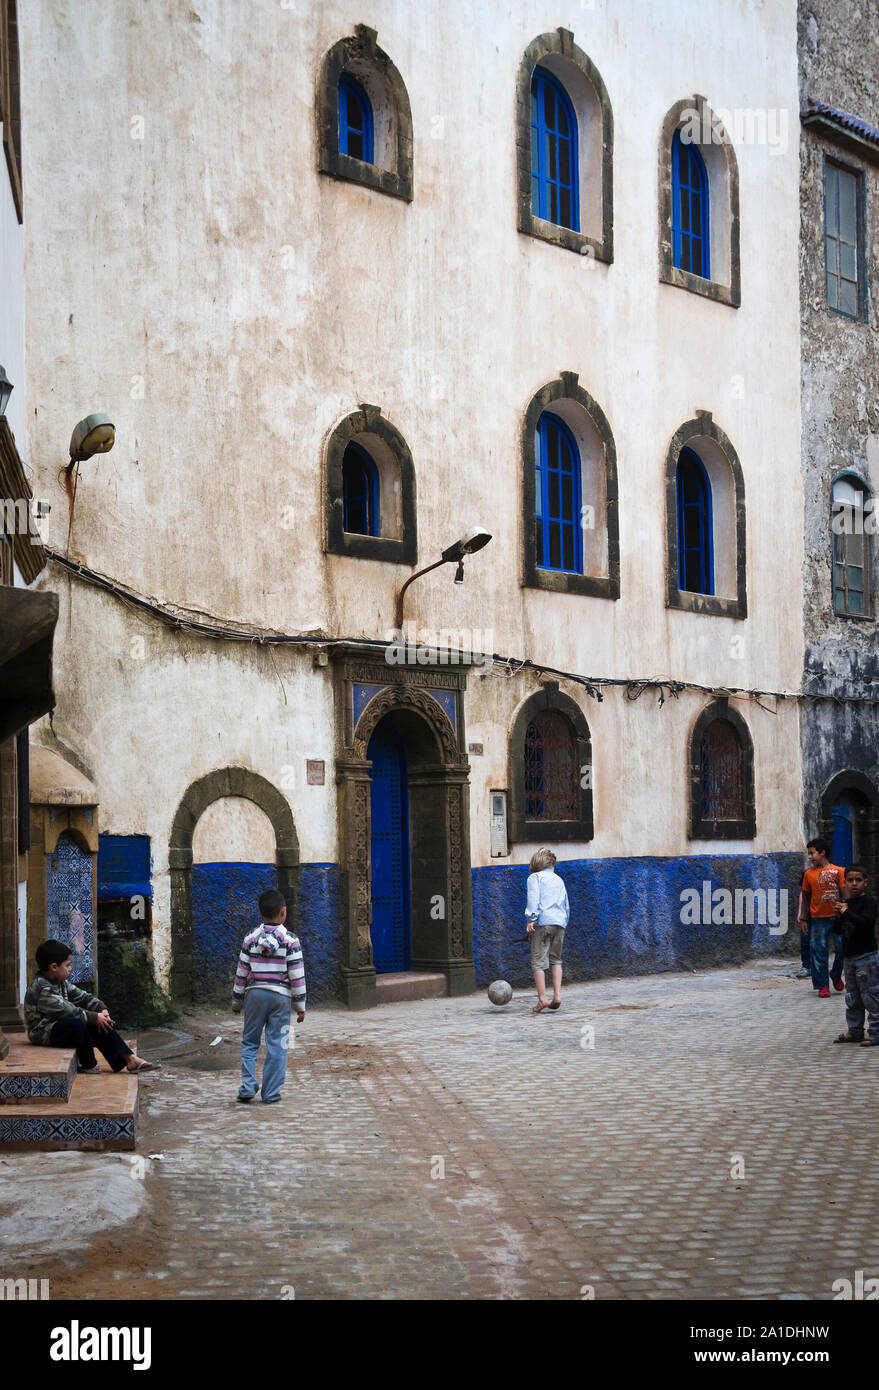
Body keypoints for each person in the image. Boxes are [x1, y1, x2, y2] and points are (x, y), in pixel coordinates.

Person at [23, 939, 156, 1073]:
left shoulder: (59, 981)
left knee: (100, 1023)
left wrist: (101, 1009)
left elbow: (83, 997)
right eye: (68, 965)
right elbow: (70, 1011)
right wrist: (95, 1017)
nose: (70, 969)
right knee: (78, 1024)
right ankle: (89, 1064)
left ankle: (130, 1059)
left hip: (59, 1025)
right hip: (43, 1033)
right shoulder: (42, 988)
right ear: (54, 967)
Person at [231, 888, 306, 1104]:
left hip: (254, 995)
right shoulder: (291, 940)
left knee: (249, 1042)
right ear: (283, 912)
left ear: (259, 913)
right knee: (280, 1044)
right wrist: (300, 1006)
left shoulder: (250, 938)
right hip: (281, 999)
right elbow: (297, 976)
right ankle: (271, 1092)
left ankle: (247, 1087)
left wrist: (237, 1001)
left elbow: (242, 972)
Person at [831, 865, 879, 1048]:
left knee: (871, 996)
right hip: (849, 958)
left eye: (858, 880)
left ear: (865, 882)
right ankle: (855, 1030)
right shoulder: (846, 904)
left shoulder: (869, 903)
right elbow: (837, 931)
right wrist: (838, 916)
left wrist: (846, 912)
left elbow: (865, 924)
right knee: (852, 997)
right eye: (850, 880)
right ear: (845, 883)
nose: (854, 884)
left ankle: (875, 1032)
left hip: (867, 958)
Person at [797, 838, 845, 997]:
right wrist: (803, 918)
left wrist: (848, 913)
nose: (810, 857)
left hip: (838, 917)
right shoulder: (808, 875)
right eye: (809, 854)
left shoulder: (839, 871)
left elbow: (845, 895)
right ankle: (822, 985)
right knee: (818, 952)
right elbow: (805, 897)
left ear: (822, 852)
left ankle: (836, 974)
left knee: (843, 948)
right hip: (817, 918)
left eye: (812, 853)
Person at [525, 847, 569, 1014]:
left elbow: (533, 899)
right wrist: (564, 921)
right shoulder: (559, 880)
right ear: (552, 864)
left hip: (542, 923)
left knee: (538, 962)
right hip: (560, 923)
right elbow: (566, 904)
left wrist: (531, 919)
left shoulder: (534, 878)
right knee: (556, 959)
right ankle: (557, 996)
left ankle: (542, 999)